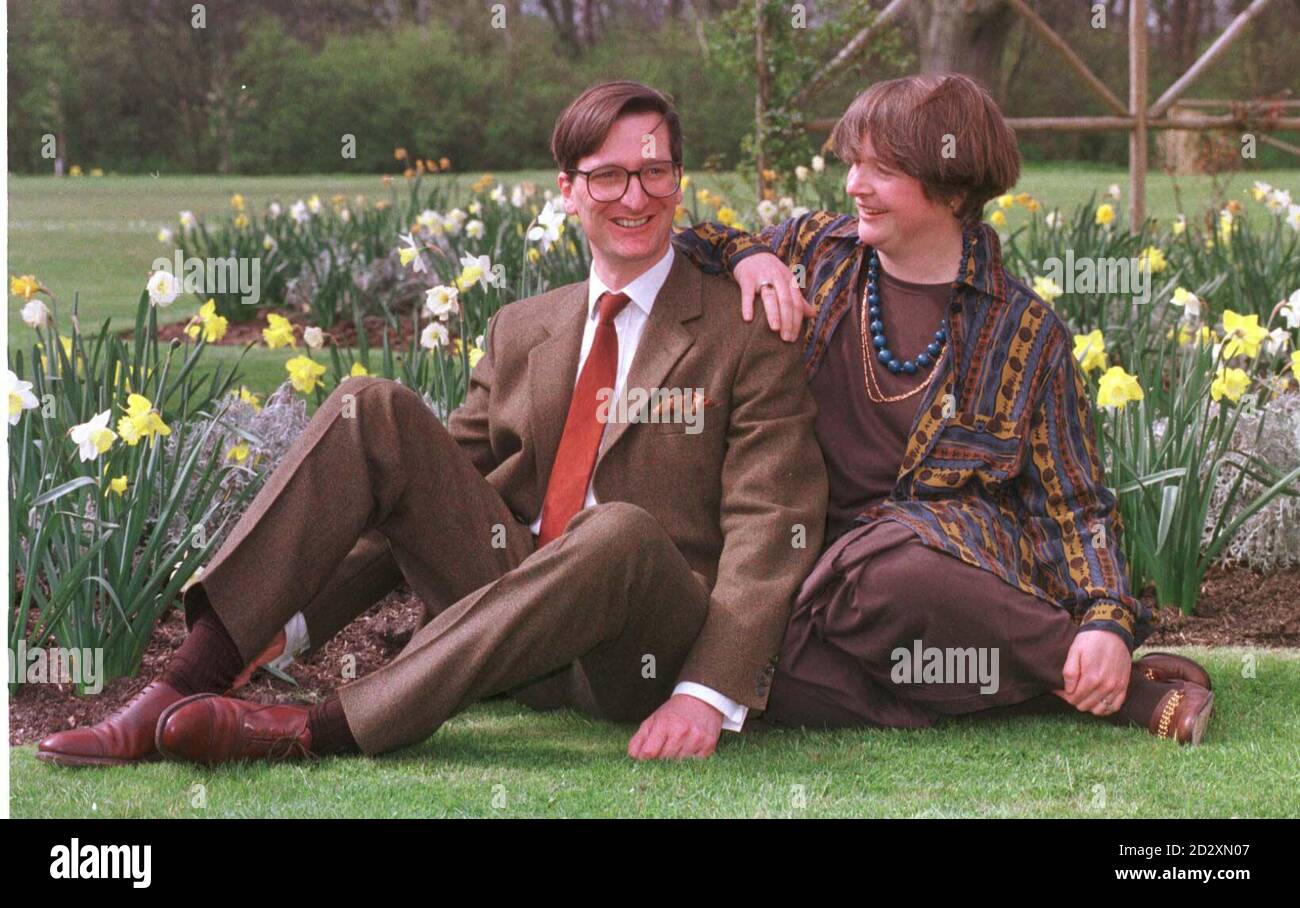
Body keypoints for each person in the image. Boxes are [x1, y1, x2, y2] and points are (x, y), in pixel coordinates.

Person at [37, 80, 827, 767]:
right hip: (513, 617)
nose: (635, 196)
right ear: (568, 189)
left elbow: (773, 519)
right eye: (611, 175)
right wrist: (306, 622)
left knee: (616, 529)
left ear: (678, 180)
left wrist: (705, 691)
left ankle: (320, 732)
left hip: (638, 650)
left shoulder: (746, 328)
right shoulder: (525, 326)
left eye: (655, 171)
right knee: (369, 406)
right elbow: (415, 490)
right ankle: (184, 680)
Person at [671, 74, 1214, 744]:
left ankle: (1108, 680)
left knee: (886, 579)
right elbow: (686, 247)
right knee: (761, 668)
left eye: (883, 170)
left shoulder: (1025, 331)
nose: (854, 186)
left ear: (953, 187)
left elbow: (1074, 503)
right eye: (854, 163)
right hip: (797, 569)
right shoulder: (813, 253)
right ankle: (1070, 685)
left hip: (925, 572)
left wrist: (1105, 617)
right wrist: (749, 256)